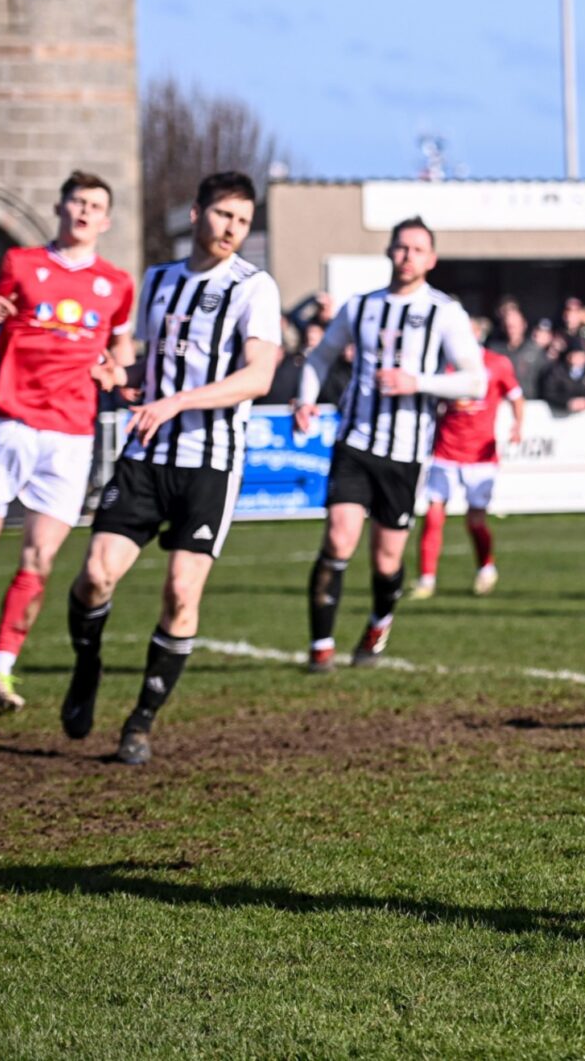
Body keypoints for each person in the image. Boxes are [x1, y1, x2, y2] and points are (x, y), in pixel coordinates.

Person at [58, 172, 281, 764]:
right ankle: (87, 666)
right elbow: (139, 370)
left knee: (182, 593)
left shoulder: (255, 288)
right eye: (223, 214)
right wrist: (119, 380)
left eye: (242, 219)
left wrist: (177, 401)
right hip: (145, 458)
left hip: (209, 466)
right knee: (96, 576)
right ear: (195, 213)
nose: (232, 228)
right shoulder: (156, 281)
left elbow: (258, 377)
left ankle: (141, 721)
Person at [0, 171, 135, 713]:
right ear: (60, 208)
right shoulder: (21, 264)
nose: (86, 212)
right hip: (12, 422)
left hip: (70, 435)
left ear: (107, 220)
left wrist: (116, 370)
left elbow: (120, 351)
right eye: (78, 202)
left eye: (96, 205)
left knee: (39, 559)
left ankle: (0, 670)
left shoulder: (116, 283)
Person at [296, 218, 485, 671]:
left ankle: (379, 622)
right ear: (389, 252)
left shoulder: (445, 311)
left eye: (418, 250)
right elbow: (320, 356)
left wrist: (416, 381)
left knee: (386, 560)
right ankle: (321, 645)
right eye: (401, 248)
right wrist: (305, 398)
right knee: (339, 539)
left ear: (431, 259)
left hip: (405, 454)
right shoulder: (361, 307)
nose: (407, 256)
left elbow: (475, 380)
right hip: (355, 442)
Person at [411, 317, 525, 601]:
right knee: (434, 516)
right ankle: (426, 579)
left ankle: (486, 569)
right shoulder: (444, 365)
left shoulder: (497, 363)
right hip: (445, 452)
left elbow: (516, 396)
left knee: (475, 520)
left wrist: (517, 424)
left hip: (479, 456)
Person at [542, 340, 585, 412]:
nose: (578, 359)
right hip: (560, 413)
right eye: (575, 355)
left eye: (581, 356)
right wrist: (568, 402)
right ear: (569, 356)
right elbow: (549, 391)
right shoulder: (557, 371)